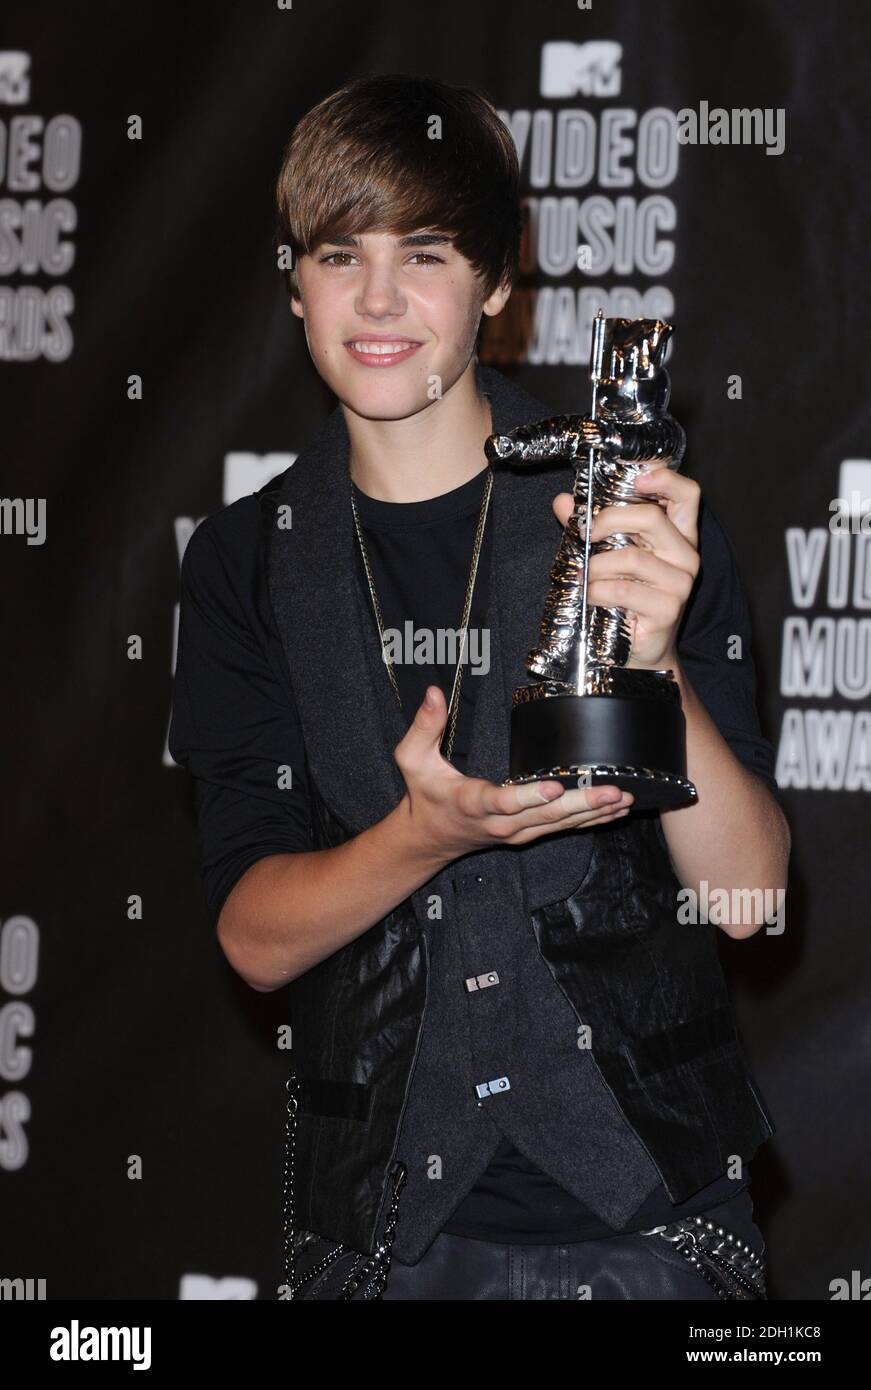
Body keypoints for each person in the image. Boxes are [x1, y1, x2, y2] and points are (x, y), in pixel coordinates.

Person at [169, 73, 790, 1301]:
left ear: (499, 284)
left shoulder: (629, 511)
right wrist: (416, 839)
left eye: (429, 252)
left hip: (655, 1223)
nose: (381, 299)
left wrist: (654, 660)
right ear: (295, 279)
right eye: (342, 254)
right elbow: (251, 935)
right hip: (383, 1239)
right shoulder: (247, 560)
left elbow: (748, 899)